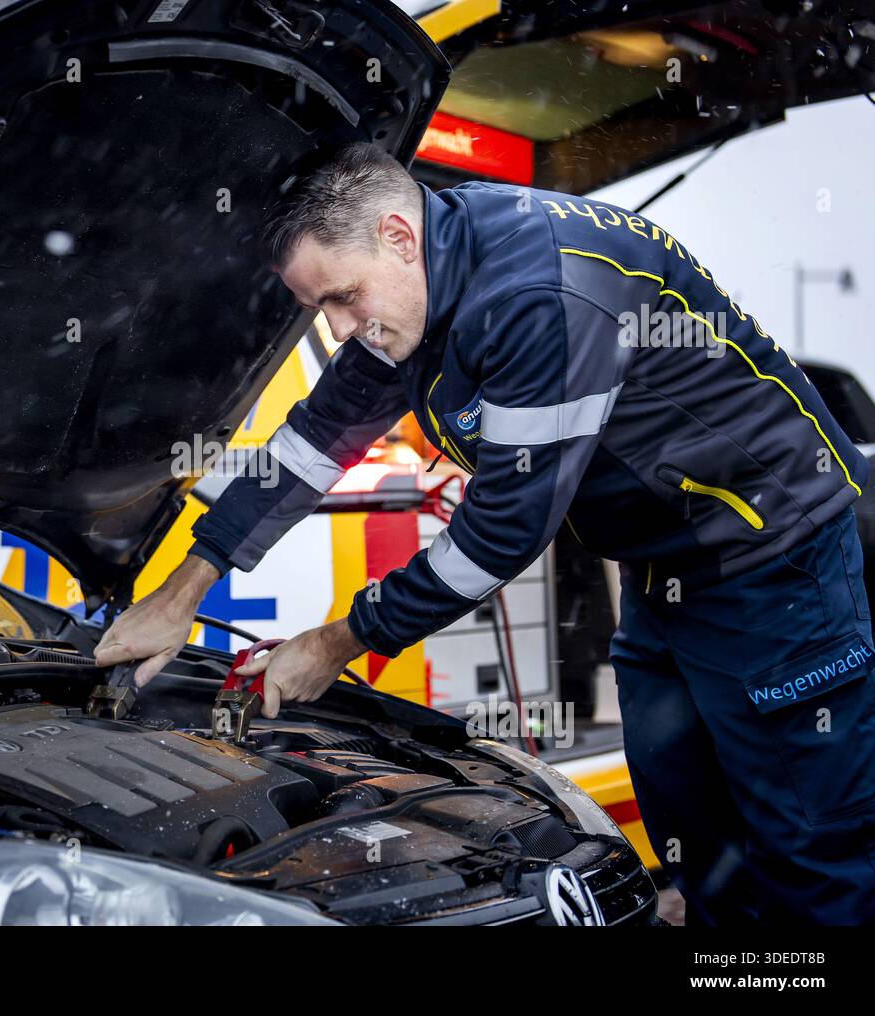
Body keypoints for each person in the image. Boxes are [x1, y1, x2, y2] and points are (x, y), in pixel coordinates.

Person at [95, 141, 875, 924]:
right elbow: (311, 443)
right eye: (319, 310)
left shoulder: (541, 292)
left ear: (399, 237)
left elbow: (503, 531)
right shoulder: (416, 289)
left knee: (811, 848)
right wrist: (182, 590)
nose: (335, 330)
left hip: (775, 565)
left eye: (342, 298)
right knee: (695, 830)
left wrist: (336, 641)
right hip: (664, 569)